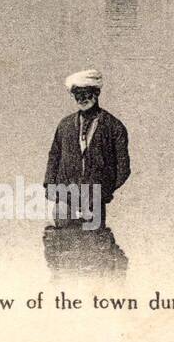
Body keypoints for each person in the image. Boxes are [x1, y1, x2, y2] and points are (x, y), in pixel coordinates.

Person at [43, 69, 130, 228]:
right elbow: (54, 156)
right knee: (61, 242)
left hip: (94, 199)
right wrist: (50, 186)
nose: (82, 99)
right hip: (64, 196)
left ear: (96, 92)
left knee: (94, 244)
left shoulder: (114, 127)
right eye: (77, 95)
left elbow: (123, 169)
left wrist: (103, 192)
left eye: (86, 93)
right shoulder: (65, 125)